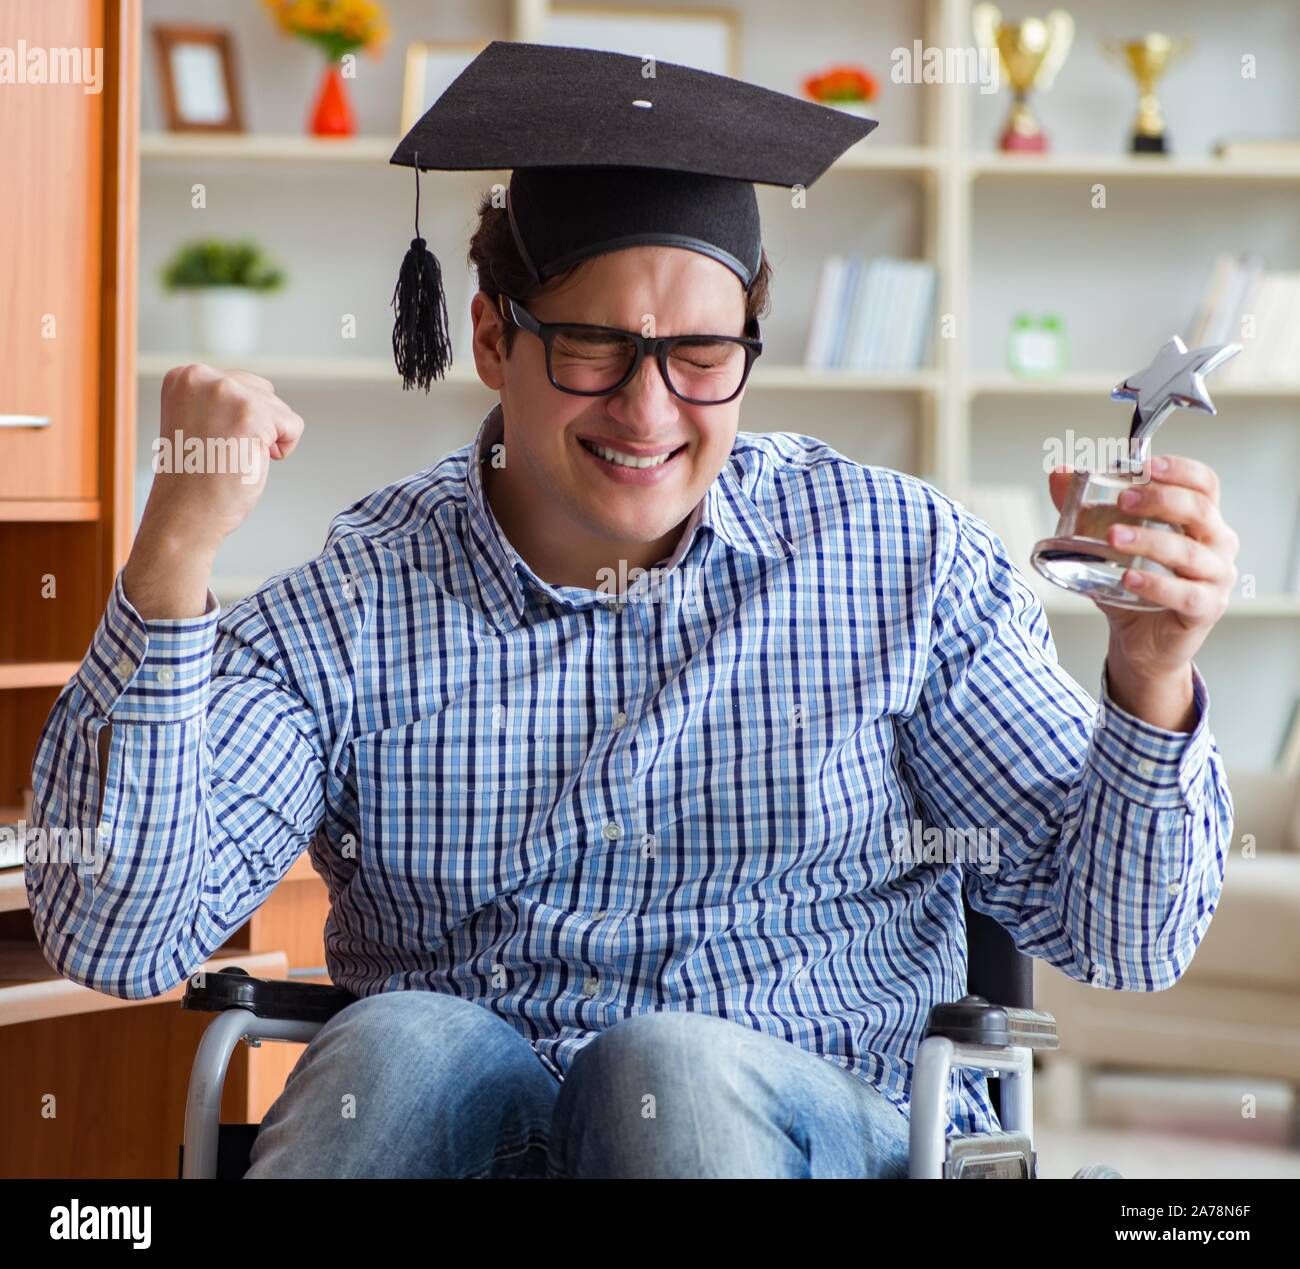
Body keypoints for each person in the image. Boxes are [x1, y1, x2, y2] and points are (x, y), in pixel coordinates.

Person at [25, 43, 1236, 1179]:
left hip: (810, 1127)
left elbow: (1124, 940)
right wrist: (169, 560)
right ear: (494, 337)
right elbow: (118, 938)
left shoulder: (901, 564)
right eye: (596, 349)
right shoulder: (361, 601)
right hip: (466, 1133)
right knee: (399, 1047)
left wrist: (1149, 678)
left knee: (665, 1068)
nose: (651, 411)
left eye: (704, 355)